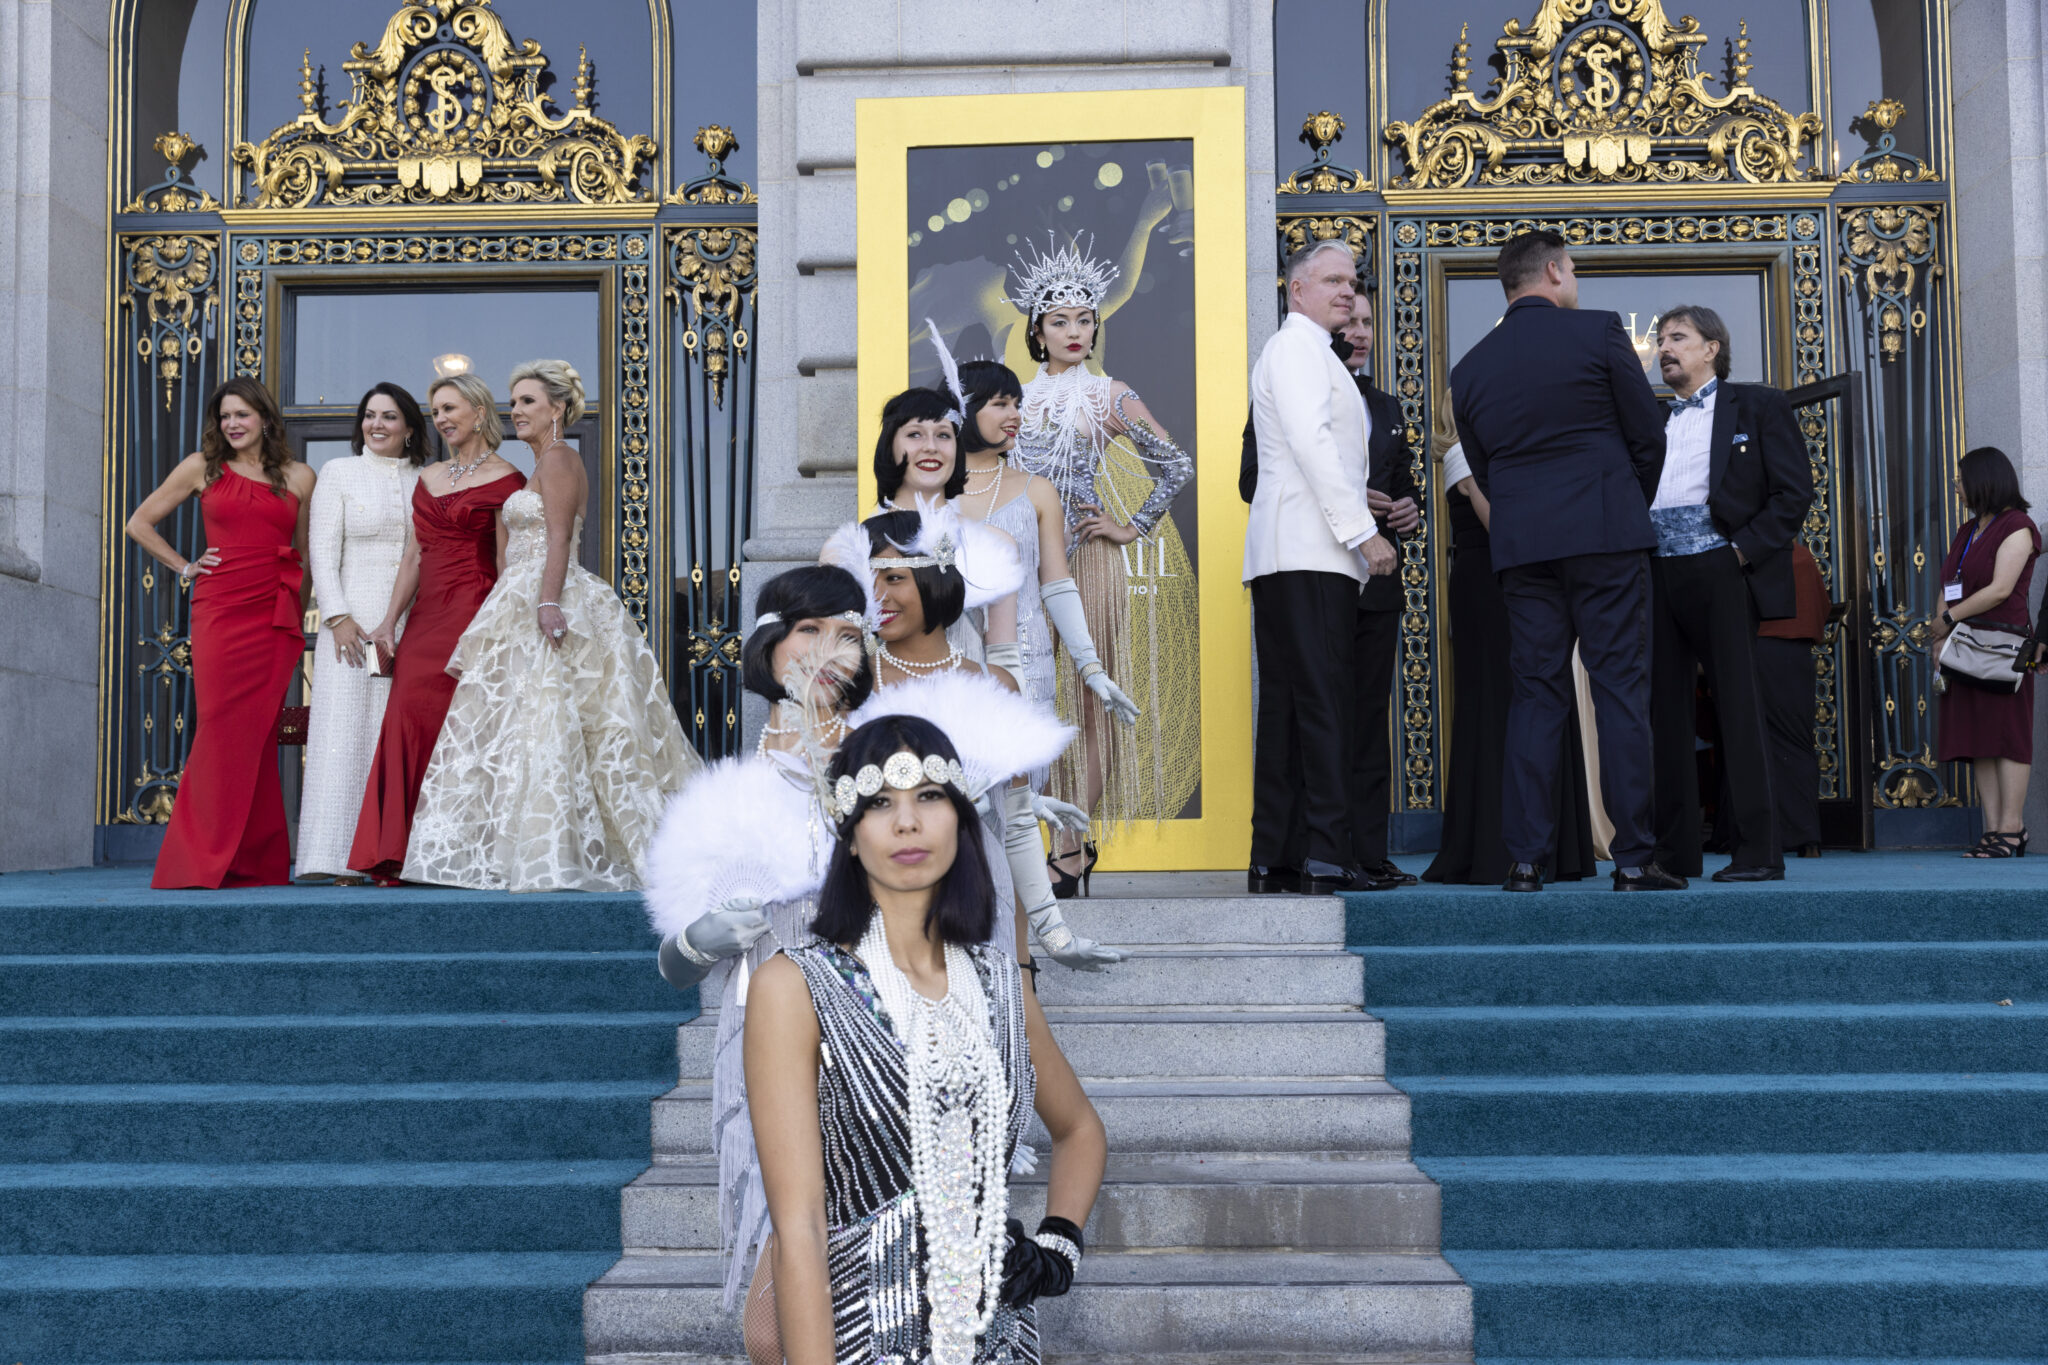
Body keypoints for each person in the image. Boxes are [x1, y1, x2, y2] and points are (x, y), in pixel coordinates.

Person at [744, 714, 1106, 1365]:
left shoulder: (1000, 981)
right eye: (880, 801)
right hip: (859, 1343)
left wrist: (1058, 1246)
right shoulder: (794, 987)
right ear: (849, 835)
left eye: (928, 796)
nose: (906, 821)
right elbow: (797, 1231)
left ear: (961, 821)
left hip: (1002, 1345)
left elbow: (1080, 1128)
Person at [401, 360, 700, 892]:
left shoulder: (561, 459)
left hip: (548, 596)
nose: (515, 411)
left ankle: (551, 852)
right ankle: (519, 848)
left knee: (555, 720)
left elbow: (560, 538)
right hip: (519, 593)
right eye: (513, 402)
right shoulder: (540, 460)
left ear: (557, 408)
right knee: (523, 726)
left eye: (528, 402)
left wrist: (546, 602)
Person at [1450, 229, 1681, 893]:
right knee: (1619, 693)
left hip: (1524, 549)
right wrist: (1623, 501)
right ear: (1552, 271)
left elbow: (1486, 466)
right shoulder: (1599, 331)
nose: (1574, 279)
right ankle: (1634, 858)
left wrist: (1527, 513)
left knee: (1535, 696)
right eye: (1571, 268)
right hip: (1606, 535)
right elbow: (1647, 433)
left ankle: (1525, 860)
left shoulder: (1469, 369)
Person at [855, 503, 1122, 969]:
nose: (878, 595)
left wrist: (1053, 933)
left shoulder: (995, 683)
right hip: (875, 901)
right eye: (868, 579)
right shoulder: (851, 681)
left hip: (975, 895)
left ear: (935, 578)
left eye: (894, 577)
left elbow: (1017, 828)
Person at [1008, 231, 1195, 886]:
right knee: (1025, 697)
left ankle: (1069, 845)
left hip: (1089, 562)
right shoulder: (1014, 400)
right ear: (1037, 331)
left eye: (1084, 319)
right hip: (1020, 569)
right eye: (1060, 320)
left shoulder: (1109, 394)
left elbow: (1174, 463)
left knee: (1091, 698)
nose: (1075, 330)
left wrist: (1129, 526)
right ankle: (1021, 838)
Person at [1243, 238, 1399, 895]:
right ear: (1295, 288)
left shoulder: (1307, 350)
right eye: (1332, 279)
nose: (1346, 289)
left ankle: (1277, 856)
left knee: (1288, 708)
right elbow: (1311, 444)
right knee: (1323, 704)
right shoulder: (1297, 348)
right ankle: (1326, 855)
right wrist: (1364, 534)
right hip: (1308, 550)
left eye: (1352, 279)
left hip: (1291, 552)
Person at [126, 378, 315, 889]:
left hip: (273, 616)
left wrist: (297, 621)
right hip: (221, 607)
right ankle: (199, 857)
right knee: (220, 724)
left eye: (242, 415)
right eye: (225, 416)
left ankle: (252, 860)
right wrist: (185, 567)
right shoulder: (201, 467)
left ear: (266, 420)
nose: (232, 424)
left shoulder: (300, 476)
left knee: (255, 736)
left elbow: (305, 556)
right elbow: (139, 523)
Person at [1646, 305, 1810, 882]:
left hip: (1722, 567)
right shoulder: (1651, 417)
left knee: (1738, 710)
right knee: (1663, 716)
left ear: (1712, 347)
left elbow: (1794, 494)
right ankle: (1673, 853)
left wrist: (1739, 553)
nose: (1665, 348)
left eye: (1678, 338)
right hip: (1658, 571)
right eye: (1661, 340)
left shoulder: (1759, 404)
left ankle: (1759, 852)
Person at [349, 372, 525, 884]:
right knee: (407, 718)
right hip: (425, 620)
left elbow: (506, 561)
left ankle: (459, 851)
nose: (443, 419)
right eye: (436, 412)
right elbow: (413, 557)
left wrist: (500, 629)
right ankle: (395, 853)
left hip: (475, 610)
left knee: (463, 729)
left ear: (477, 411)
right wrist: (388, 622)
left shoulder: (508, 480)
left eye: (451, 408)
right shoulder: (427, 478)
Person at [1424, 401, 1600, 885]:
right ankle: (1501, 847)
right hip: (1492, 588)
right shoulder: (1463, 456)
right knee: (1504, 705)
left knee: (1533, 701)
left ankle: (1547, 846)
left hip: (1515, 583)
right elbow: (1501, 524)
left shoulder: (1486, 455)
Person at [295, 383, 431, 882]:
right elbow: (321, 553)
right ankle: (332, 856)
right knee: (344, 734)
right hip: (349, 630)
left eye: (389, 417)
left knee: (393, 736)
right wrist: (336, 617)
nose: (377, 425)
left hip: (408, 627)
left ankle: (392, 855)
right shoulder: (339, 473)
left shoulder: (426, 479)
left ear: (410, 428)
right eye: (369, 416)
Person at [1933, 446, 2040, 857]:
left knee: (2007, 736)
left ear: (1983, 480)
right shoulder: (1967, 530)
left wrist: (1947, 620)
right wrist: (1939, 636)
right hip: (1964, 648)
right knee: (1979, 738)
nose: (1956, 486)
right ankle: (1993, 830)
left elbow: (1999, 588)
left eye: (1960, 479)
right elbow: (1948, 583)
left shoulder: (2018, 526)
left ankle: (2013, 830)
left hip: (2004, 648)